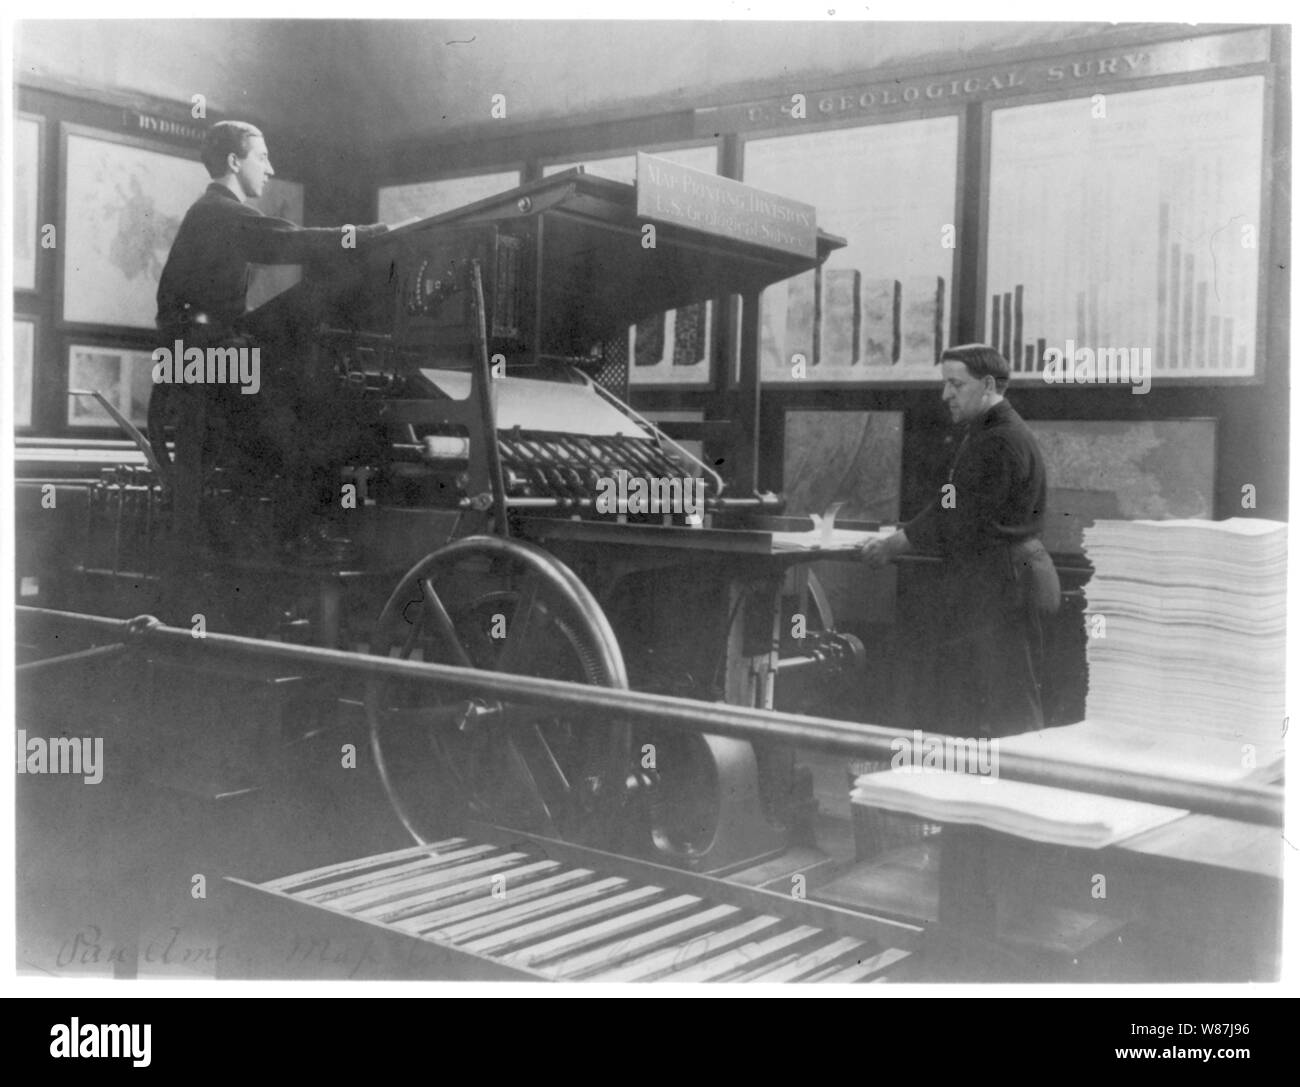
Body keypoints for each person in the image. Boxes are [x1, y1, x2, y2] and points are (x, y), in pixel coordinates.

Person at [152, 119, 388, 562]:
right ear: (233, 160)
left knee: (305, 406)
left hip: (197, 359)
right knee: (311, 420)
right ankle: (295, 537)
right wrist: (375, 235)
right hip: (203, 362)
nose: (270, 167)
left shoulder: (214, 212)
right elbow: (290, 242)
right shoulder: (220, 211)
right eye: (261, 157)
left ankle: (288, 532)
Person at [859, 343, 1059, 739]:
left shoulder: (997, 440)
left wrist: (894, 544)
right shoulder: (990, 432)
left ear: (987, 384)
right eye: (944, 384)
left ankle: (1020, 793)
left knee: (1011, 705)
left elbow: (955, 512)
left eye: (955, 384)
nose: (945, 395)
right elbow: (951, 503)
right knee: (998, 698)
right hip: (1002, 579)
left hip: (1004, 583)